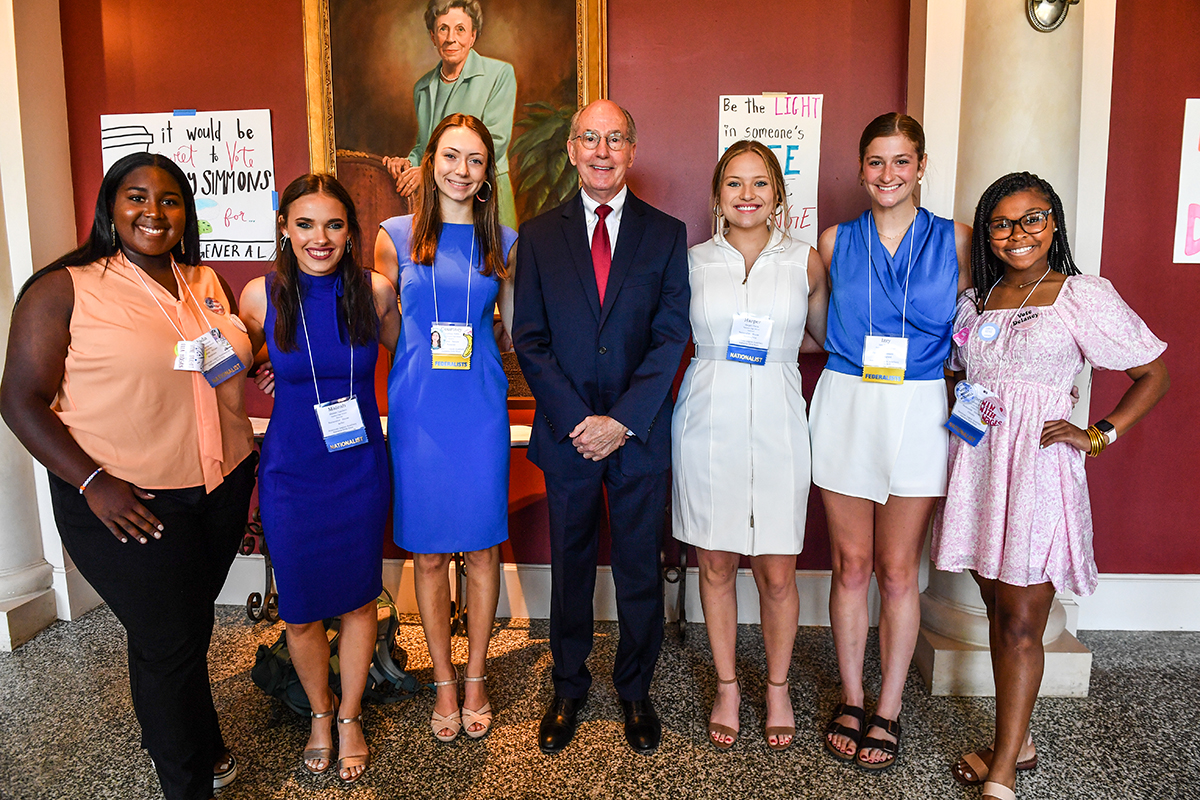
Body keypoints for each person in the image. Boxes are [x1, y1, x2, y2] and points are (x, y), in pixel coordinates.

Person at [0, 153, 256, 800]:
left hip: (220, 489)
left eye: (170, 200)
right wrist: (92, 483)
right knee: (169, 642)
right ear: (110, 206)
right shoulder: (64, 287)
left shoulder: (202, 280)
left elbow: (216, 370)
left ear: (186, 213)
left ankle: (200, 739)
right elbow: (19, 399)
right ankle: (187, 782)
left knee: (183, 629)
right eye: (137, 196)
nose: (154, 211)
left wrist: (255, 364)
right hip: (127, 501)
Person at [932, 172, 1168, 800]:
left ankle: (1002, 772)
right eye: (1002, 223)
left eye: (1031, 219)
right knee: (995, 606)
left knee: (1021, 624)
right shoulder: (974, 302)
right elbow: (963, 378)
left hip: (1038, 471)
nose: (1017, 234)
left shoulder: (1080, 295)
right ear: (987, 232)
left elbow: (1153, 375)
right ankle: (1020, 738)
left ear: (1054, 223)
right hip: (981, 469)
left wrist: (1099, 434)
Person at [512, 99, 690, 756]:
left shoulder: (666, 235)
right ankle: (567, 684)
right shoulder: (537, 235)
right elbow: (529, 339)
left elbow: (671, 337)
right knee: (571, 565)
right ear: (571, 150)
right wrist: (579, 421)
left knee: (639, 566)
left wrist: (621, 421)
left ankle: (636, 689)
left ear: (632, 150)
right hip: (567, 436)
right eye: (590, 137)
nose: (602, 149)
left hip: (637, 436)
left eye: (615, 138)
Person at [810, 112, 970, 769]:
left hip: (920, 403)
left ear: (922, 166)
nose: (888, 175)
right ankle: (852, 696)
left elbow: (976, 328)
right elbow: (818, 321)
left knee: (899, 570)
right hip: (848, 397)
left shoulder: (957, 241)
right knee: (850, 565)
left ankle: (889, 707)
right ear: (860, 168)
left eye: (902, 161)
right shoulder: (832, 241)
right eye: (876, 162)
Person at [239, 174, 398, 783]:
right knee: (301, 612)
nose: (320, 238)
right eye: (305, 224)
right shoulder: (261, 296)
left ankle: (352, 716)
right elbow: (229, 356)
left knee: (359, 601)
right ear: (284, 228)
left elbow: (407, 358)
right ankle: (320, 716)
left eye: (334, 225)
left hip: (357, 467)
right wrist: (260, 368)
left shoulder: (374, 291)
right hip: (290, 470)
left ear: (351, 232)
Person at [671, 141, 828, 751]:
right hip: (707, 417)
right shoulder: (691, 262)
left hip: (781, 416)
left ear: (778, 194)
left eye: (759, 183)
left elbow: (820, 337)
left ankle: (780, 686)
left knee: (778, 569)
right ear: (717, 196)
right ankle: (729, 685)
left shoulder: (806, 262)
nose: (746, 195)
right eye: (733, 184)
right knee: (715, 562)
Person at [376, 113, 517, 743]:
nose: (462, 170)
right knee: (429, 554)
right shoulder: (393, 235)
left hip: (480, 410)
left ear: (488, 175)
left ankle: (478, 676)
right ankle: (442, 679)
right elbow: (383, 325)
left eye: (476, 161)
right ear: (431, 161)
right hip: (419, 412)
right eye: (452, 156)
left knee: (483, 547)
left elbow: (516, 332)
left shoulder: (505, 243)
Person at [383, 0, 518, 228]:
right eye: (443, 28)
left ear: (473, 36)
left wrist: (425, 172)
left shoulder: (500, 74)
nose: (450, 38)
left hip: (488, 198)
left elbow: (495, 143)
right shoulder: (422, 87)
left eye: (460, 29)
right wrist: (407, 163)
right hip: (443, 203)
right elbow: (425, 145)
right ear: (433, 37)